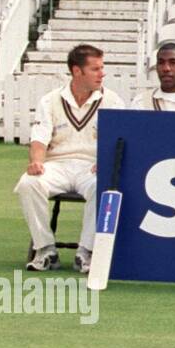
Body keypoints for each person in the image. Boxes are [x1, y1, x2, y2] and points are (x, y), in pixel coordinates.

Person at [18, 44, 127, 273]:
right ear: (77, 71)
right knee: (29, 183)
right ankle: (46, 250)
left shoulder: (113, 101)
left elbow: (120, 141)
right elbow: (39, 140)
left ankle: (86, 252)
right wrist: (36, 162)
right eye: (95, 69)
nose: (102, 73)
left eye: (102, 67)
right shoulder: (51, 100)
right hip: (57, 164)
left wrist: (105, 162)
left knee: (104, 186)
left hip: (92, 167)